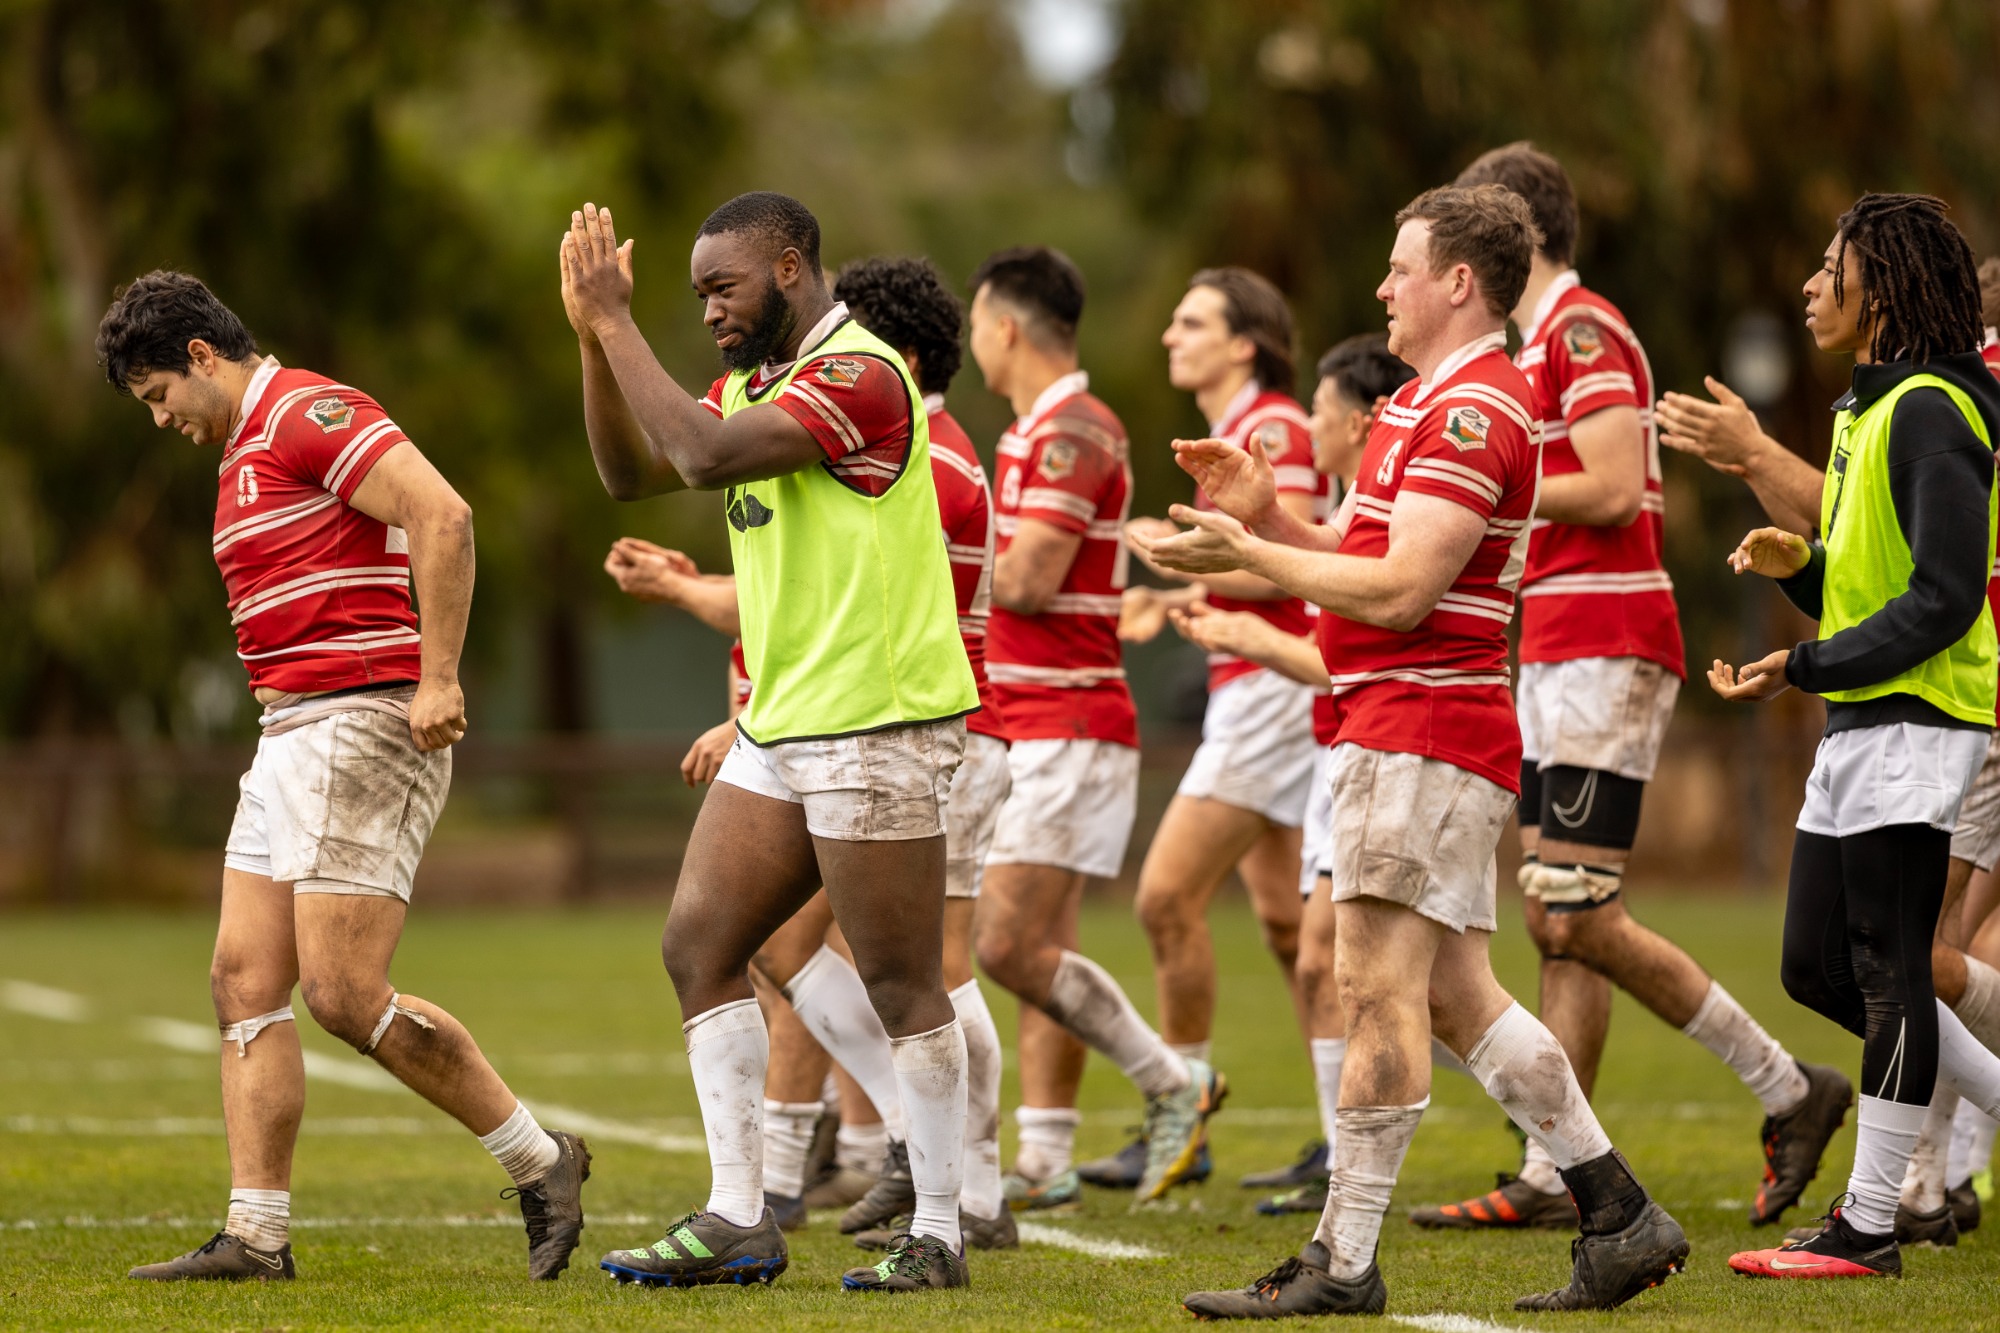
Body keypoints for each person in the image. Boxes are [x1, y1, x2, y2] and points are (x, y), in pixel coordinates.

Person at [1136, 185, 1688, 1317]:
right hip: (1403, 725)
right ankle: (1619, 1214)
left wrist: (1257, 551)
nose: (1380, 288)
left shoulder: (1477, 406)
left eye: (1399, 270)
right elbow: (1354, 551)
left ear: (1457, 284)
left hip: (1423, 728)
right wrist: (1272, 519)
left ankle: (1342, 1260)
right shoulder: (1421, 404)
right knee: (1452, 997)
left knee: (1374, 990)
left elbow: (1399, 590)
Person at [99, 272, 592, 1283]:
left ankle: (543, 1163)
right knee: (243, 979)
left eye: (159, 397)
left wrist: (439, 675)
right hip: (286, 734)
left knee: (342, 991)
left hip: (359, 722)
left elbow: (441, 513)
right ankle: (256, 1236)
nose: (162, 422)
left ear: (200, 355)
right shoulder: (244, 451)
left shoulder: (305, 412)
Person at [1409, 142, 1849, 1234]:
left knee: (1570, 907)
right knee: (1556, 918)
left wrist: (1482, 489)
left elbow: (1609, 485)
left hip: (1606, 637)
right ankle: (1558, 1169)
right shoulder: (1530, 342)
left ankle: (1787, 1087)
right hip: (1557, 643)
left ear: (1514, 224)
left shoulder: (1582, 328)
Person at [562, 193, 977, 1293]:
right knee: (699, 944)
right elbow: (626, 473)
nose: (706, 310)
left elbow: (695, 460)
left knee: (898, 981)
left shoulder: (861, 372)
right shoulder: (756, 382)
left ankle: (941, 1227)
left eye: (721, 288)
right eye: (694, 292)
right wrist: (590, 345)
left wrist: (617, 322)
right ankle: (739, 1214)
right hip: (785, 719)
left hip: (875, 718)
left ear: (789, 269)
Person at [1714, 193, 2000, 1281]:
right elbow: (1863, 584)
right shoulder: (1861, 412)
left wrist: (1804, 662)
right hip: (1860, 722)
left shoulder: (1932, 408)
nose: (1804, 285)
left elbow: (1940, 598)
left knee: (1888, 969)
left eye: (1824, 266)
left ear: (1874, 286)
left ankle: (1868, 1226)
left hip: (1917, 718)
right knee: (1814, 963)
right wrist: (1804, 573)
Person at [964, 245, 1226, 1208]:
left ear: (1005, 327)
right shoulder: (1032, 429)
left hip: (1067, 723)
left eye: (975, 323)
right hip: (1034, 720)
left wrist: (935, 555)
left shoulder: (1077, 429)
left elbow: (1029, 578)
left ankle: (1172, 1082)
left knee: (1005, 947)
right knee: (1041, 946)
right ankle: (1045, 1151)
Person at [1081, 269, 1323, 1193]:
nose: (1170, 336)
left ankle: (1181, 1107)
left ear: (1244, 342)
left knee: (1164, 896)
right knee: (1291, 929)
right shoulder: (1252, 428)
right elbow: (1250, 567)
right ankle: (1345, 1128)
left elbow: (1294, 564)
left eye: (1193, 322)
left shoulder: (1276, 430)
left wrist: (1163, 545)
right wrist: (1175, 588)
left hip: (1273, 694)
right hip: (1254, 687)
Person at [1169, 335, 1416, 1216]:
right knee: (1334, 963)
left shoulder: (1387, 495)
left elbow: (1349, 644)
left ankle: (1189, 1112)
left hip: (1387, 742)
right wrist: (1231, 547)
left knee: (1358, 968)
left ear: (1360, 418)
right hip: (1339, 744)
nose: (1304, 422)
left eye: (1319, 407)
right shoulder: (1357, 500)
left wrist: (1250, 635)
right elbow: (1312, 574)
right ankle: (1338, 1164)